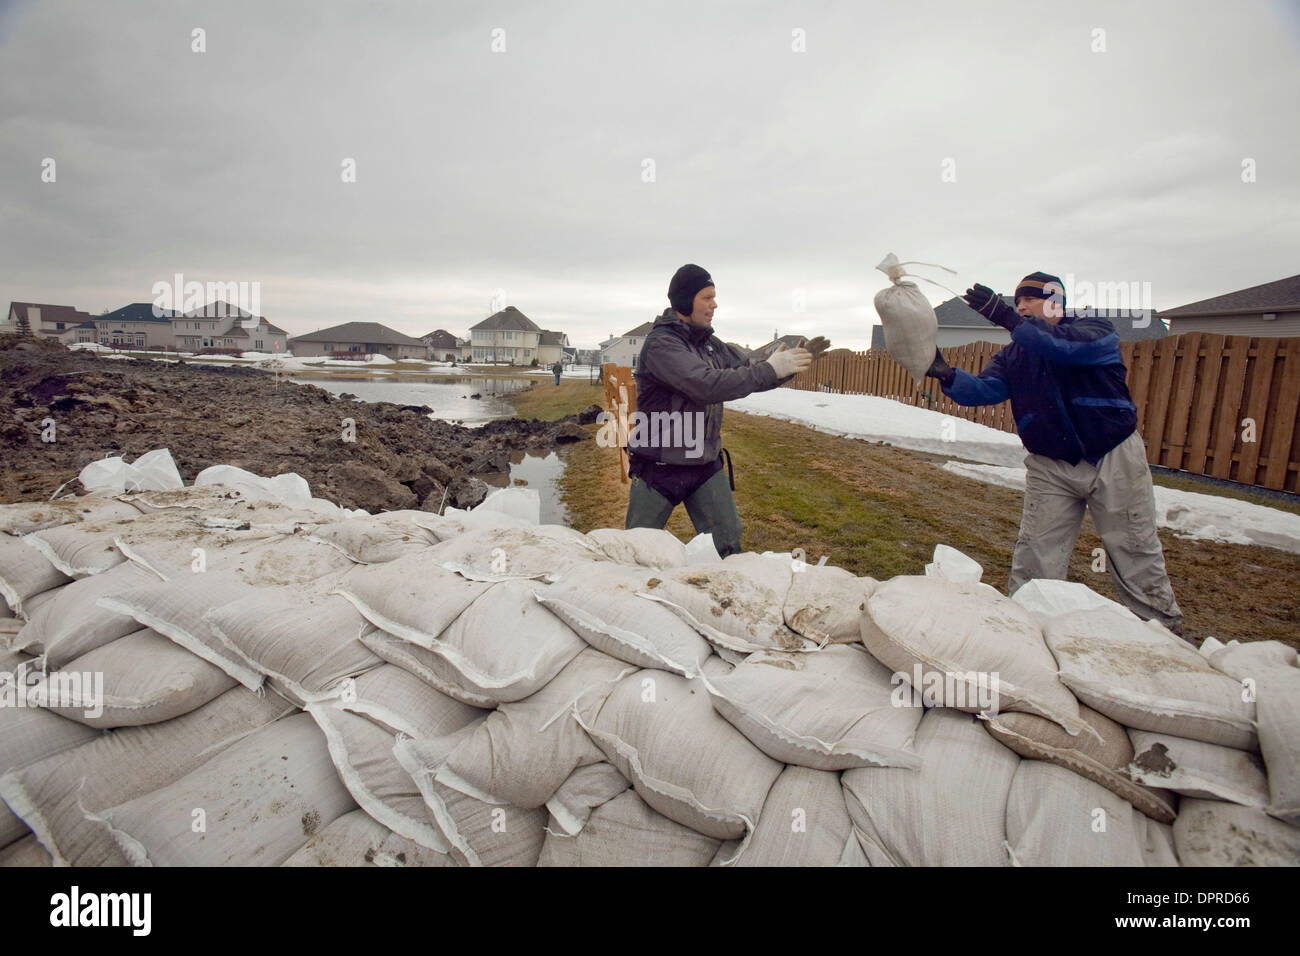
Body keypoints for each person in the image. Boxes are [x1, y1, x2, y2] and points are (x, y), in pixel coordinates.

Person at [925, 271, 1184, 636]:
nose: (1022, 307)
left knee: (1133, 547)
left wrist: (1008, 318)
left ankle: (1162, 631)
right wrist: (948, 376)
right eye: (1017, 303)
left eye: (1029, 300)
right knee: (1036, 551)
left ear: (1055, 301)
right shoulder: (1015, 355)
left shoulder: (1095, 331)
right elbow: (986, 390)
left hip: (1112, 455)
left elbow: (1065, 348)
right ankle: (1027, 630)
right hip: (1050, 464)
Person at [625, 263, 829, 557]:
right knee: (635, 553)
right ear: (685, 300)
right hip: (659, 467)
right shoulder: (663, 345)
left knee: (728, 548)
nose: (714, 305)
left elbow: (750, 367)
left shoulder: (711, 346)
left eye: (714, 297)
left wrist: (789, 362)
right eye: (706, 297)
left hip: (703, 465)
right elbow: (705, 384)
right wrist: (770, 370)